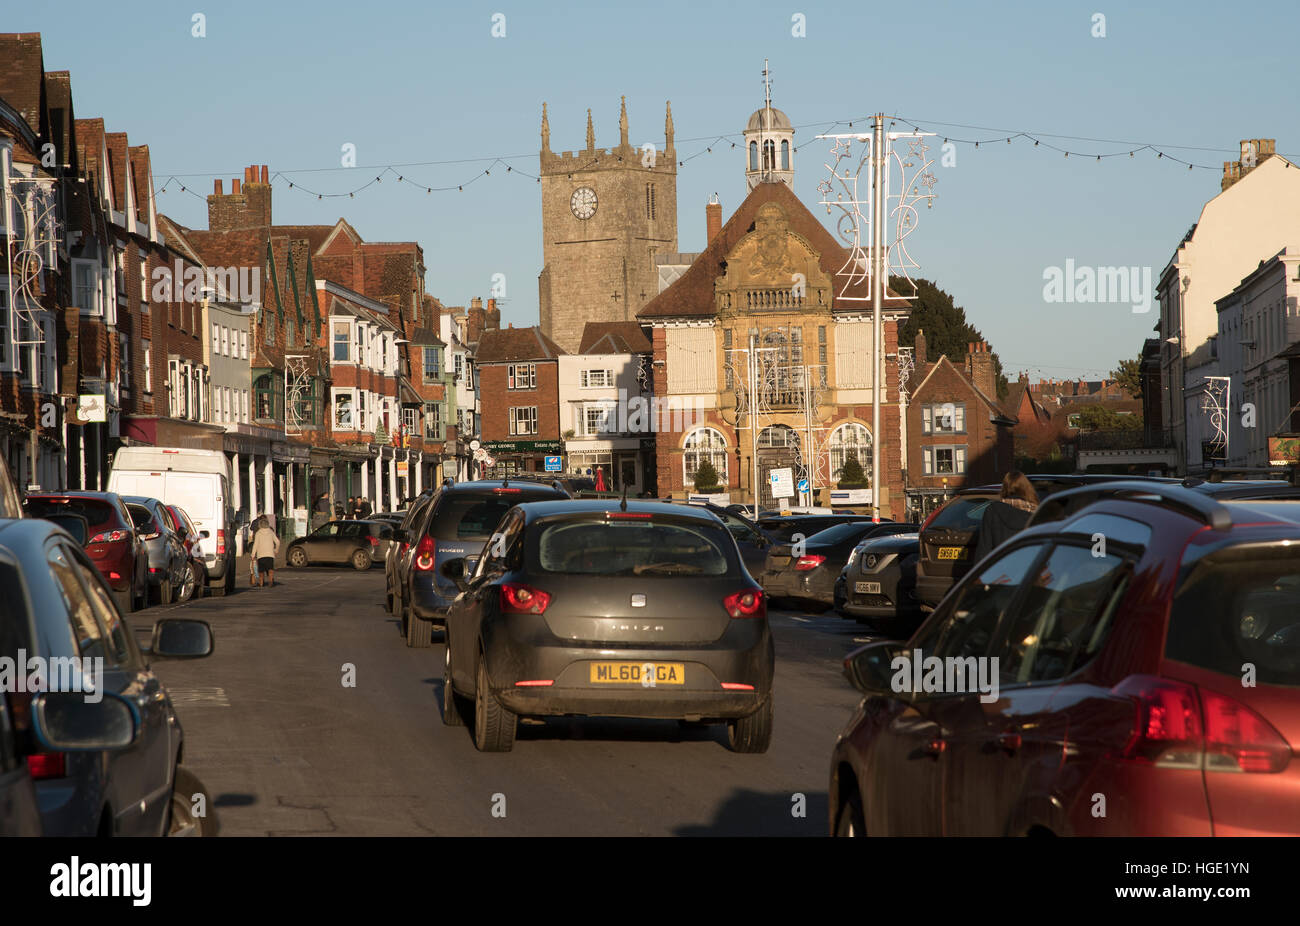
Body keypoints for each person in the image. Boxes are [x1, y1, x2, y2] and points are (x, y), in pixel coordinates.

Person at [973, 470, 1040, 564]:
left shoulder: (993, 510)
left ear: (1005, 487)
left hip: (999, 571)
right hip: (1027, 570)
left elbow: (984, 549)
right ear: (1027, 488)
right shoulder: (1037, 513)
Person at [251, 515, 280, 588]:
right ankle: (270, 582)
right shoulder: (271, 532)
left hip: (261, 555)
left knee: (261, 571)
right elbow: (278, 542)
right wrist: (276, 550)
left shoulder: (258, 533)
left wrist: (253, 554)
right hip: (270, 554)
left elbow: (255, 545)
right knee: (270, 569)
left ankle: (261, 583)